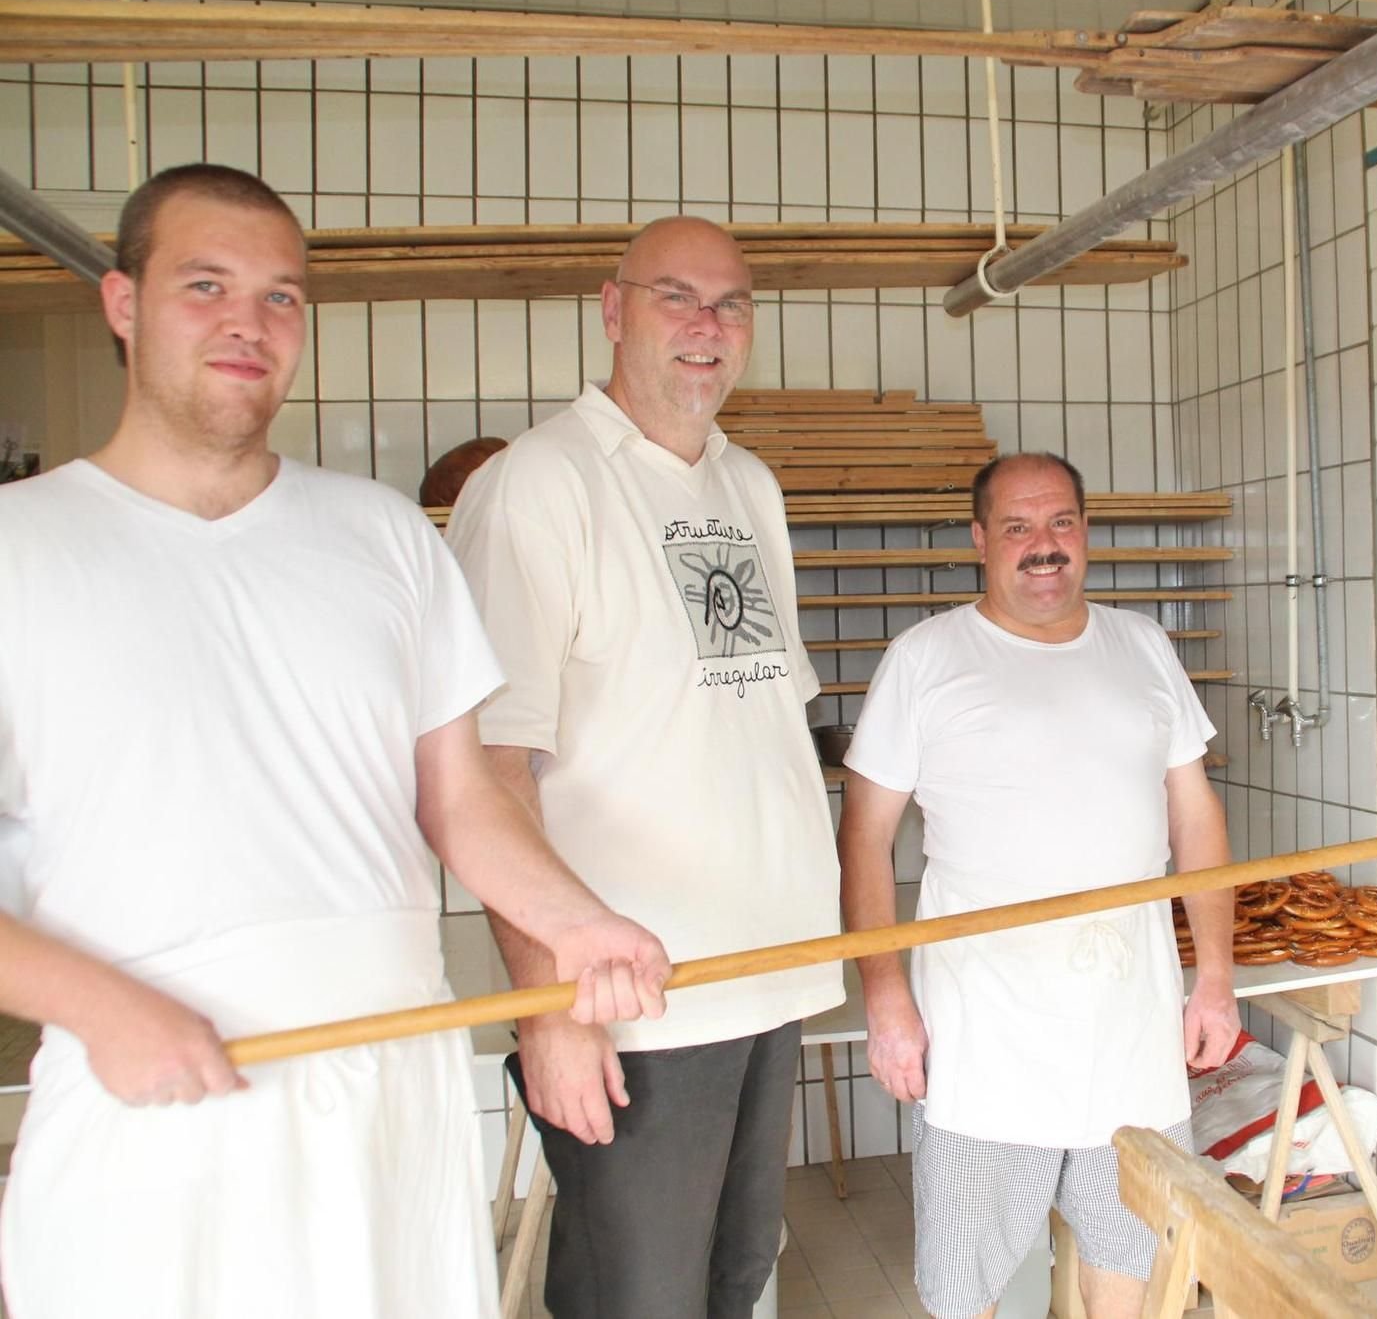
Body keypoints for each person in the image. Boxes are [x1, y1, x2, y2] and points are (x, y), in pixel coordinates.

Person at [0, 163, 672, 1318]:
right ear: (121, 302)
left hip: (387, 1088)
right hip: (156, 1106)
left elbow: (457, 797)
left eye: (280, 297)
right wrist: (101, 1006)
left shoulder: (379, 536)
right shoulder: (20, 549)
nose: (246, 324)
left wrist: (575, 919)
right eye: (204, 284)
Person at [446, 216, 844, 1318]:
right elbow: (491, 766)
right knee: (639, 1300)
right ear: (613, 309)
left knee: (733, 1276)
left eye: (730, 304)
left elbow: (751, 721)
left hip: (768, 974)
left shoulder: (746, 483)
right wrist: (549, 1009)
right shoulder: (540, 484)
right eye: (676, 297)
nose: (707, 327)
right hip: (630, 1000)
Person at [837, 452, 1241, 1319]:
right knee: (966, 1283)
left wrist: (1214, 977)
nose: (1043, 546)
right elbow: (864, 837)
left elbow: (1196, 817)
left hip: (1129, 1019)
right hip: (988, 1027)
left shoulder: (1143, 646)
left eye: (1060, 522)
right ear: (981, 539)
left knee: (1129, 1258)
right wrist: (885, 997)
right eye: (1018, 527)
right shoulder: (926, 658)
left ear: (1085, 532)